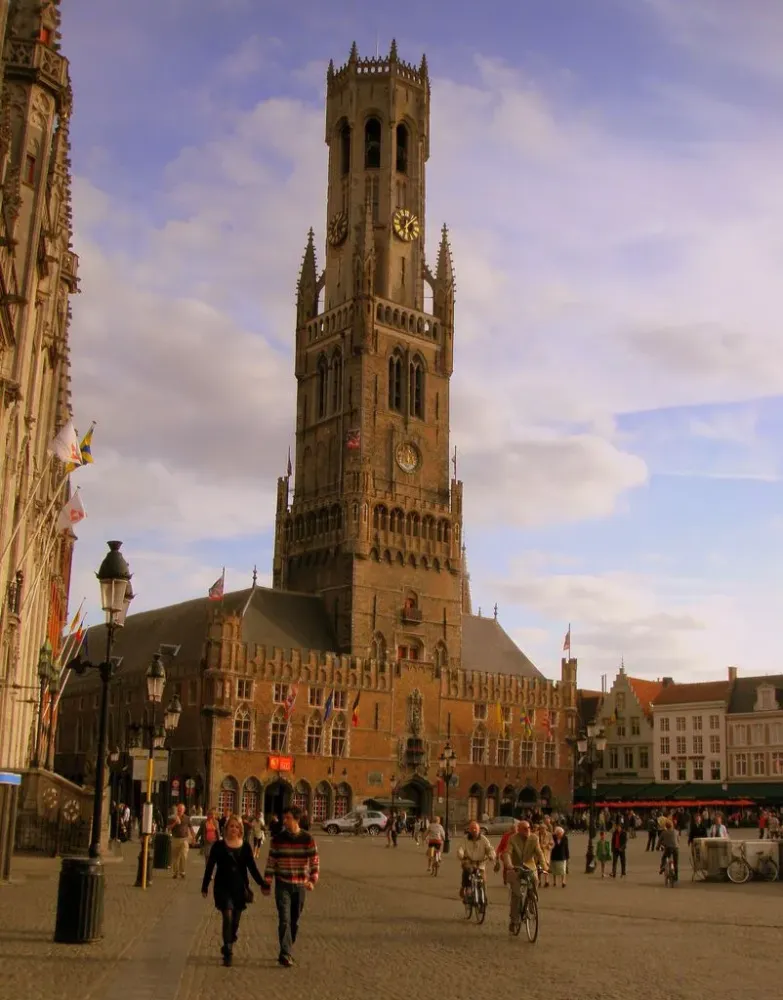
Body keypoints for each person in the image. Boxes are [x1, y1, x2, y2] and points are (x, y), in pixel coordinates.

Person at [201, 813, 268, 967]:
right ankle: (228, 951)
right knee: (227, 916)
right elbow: (210, 867)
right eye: (231, 826)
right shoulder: (218, 846)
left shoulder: (245, 847)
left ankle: (229, 940)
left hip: (239, 887)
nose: (234, 829)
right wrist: (204, 886)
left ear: (241, 830)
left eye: (237, 826)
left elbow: (252, 868)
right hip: (222, 887)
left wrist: (262, 883)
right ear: (226, 828)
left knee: (235, 921)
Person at [263, 805, 319, 968]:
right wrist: (267, 882)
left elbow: (314, 860)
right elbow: (271, 861)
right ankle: (285, 953)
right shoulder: (277, 839)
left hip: (300, 885)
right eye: (284, 817)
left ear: (296, 819)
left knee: (294, 920)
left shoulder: (308, 839)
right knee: (285, 919)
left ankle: (287, 945)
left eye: (287, 818)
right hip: (283, 884)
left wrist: (312, 880)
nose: (284, 821)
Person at [502, 820, 546, 933]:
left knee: (535, 879)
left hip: (529, 864)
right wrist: (509, 865)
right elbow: (507, 852)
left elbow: (539, 852)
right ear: (519, 829)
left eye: (529, 828)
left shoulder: (534, 838)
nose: (528, 830)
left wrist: (545, 866)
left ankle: (532, 900)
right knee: (516, 894)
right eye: (525, 829)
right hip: (516, 866)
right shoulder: (513, 838)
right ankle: (514, 919)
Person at [457, 821, 495, 898]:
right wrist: (461, 855)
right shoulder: (465, 839)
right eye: (472, 829)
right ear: (469, 830)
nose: (474, 831)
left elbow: (489, 848)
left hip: (480, 863)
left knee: (482, 880)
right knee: (467, 871)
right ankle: (465, 887)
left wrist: (491, 855)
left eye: (476, 829)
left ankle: (483, 897)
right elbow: (460, 848)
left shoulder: (484, 839)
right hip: (469, 862)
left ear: (479, 830)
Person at [168, 803, 193, 879]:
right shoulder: (172, 818)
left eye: (181, 810)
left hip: (184, 839)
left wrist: (193, 837)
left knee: (184, 855)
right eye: (178, 810)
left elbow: (191, 827)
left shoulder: (187, 818)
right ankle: (175, 873)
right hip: (175, 839)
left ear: (184, 810)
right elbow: (168, 828)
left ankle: (182, 871)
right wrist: (175, 822)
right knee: (175, 858)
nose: (179, 812)